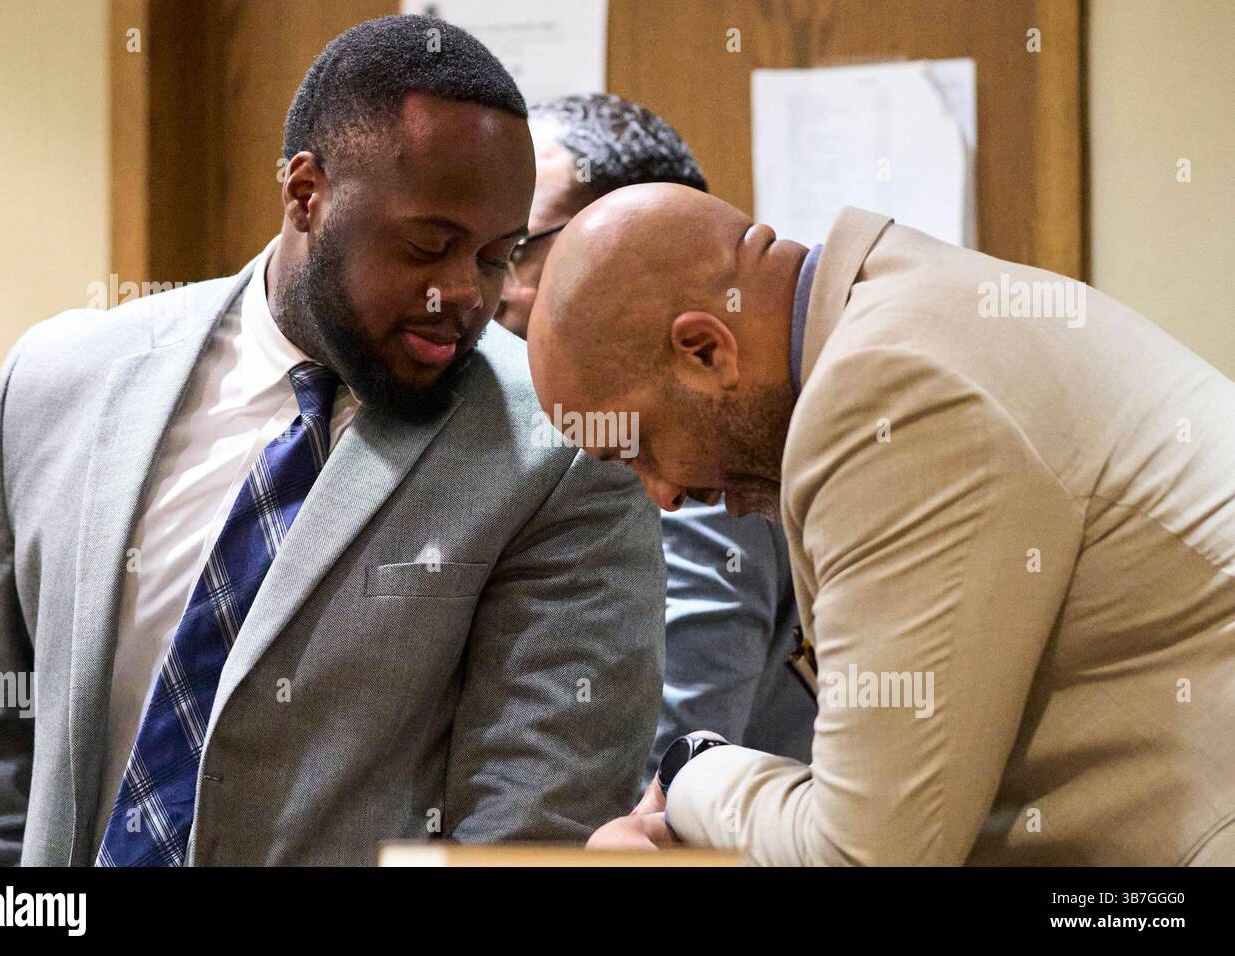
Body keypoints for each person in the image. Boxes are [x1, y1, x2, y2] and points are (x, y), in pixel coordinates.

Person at [0, 16, 665, 867]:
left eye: (498, 257)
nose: (462, 296)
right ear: (306, 194)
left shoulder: (560, 450)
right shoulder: (60, 381)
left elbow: (526, 831)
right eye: (428, 247)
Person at [527, 182, 1235, 865]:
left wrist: (691, 772)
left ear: (708, 352)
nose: (663, 493)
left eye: (636, 446)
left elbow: (866, 854)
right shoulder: (906, 311)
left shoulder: (886, 393)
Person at [496, 93, 815, 781]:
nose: (496, 288)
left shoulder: (700, 432)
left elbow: (669, 752)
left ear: (622, 240)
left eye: (519, 250)